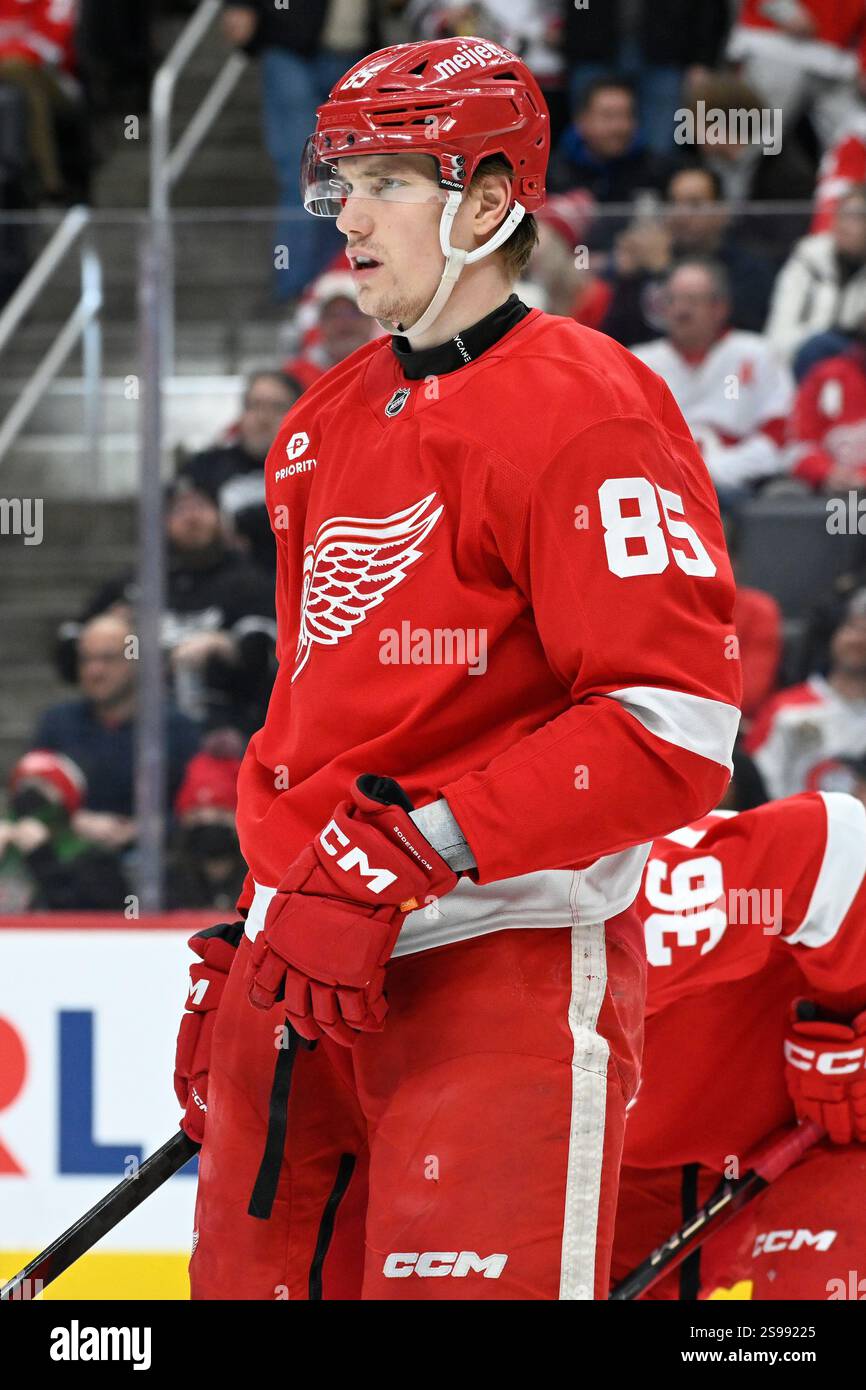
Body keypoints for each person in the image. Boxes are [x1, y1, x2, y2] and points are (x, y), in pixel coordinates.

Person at [174, 35, 740, 1303]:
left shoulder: (591, 411)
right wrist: (258, 913)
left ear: (487, 203)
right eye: (339, 183)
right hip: (302, 978)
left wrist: (410, 849)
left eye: (387, 180)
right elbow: (311, 708)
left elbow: (669, 728)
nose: (347, 217)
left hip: (499, 973)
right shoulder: (318, 424)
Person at [610, 789, 866, 1300]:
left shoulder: (622, 923)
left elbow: (841, 847)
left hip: (814, 1144)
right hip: (631, 1170)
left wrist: (847, 1016)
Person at [631, 259, 795, 497]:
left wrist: (716, 469)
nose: (680, 310)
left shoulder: (757, 353)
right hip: (660, 486)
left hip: (736, 485)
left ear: (720, 308)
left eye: (692, 301)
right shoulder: (640, 361)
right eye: (671, 300)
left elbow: (780, 435)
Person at [31, 612, 200, 833]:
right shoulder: (57, 723)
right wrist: (74, 823)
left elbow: (196, 808)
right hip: (73, 851)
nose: (94, 671)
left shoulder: (176, 728)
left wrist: (136, 830)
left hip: (154, 855)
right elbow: (31, 795)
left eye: (108, 659)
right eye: (86, 660)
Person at [600, 166, 777, 345]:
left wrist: (664, 270)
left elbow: (739, 325)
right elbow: (617, 337)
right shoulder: (647, 264)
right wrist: (626, 281)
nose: (681, 214)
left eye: (694, 204)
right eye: (673, 203)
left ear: (722, 212)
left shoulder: (748, 269)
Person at [746, 590, 866, 801]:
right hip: (781, 826)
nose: (859, 639)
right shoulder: (786, 709)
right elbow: (750, 784)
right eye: (853, 627)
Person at [547, 76, 679, 251]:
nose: (619, 127)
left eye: (626, 115)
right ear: (582, 121)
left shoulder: (659, 171)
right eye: (608, 117)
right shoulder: (551, 173)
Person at [766, 187, 866, 369]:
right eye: (840, 215)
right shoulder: (806, 259)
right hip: (800, 362)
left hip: (857, 370)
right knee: (819, 346)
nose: (844, 226)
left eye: (857, 218)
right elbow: (777, 336)